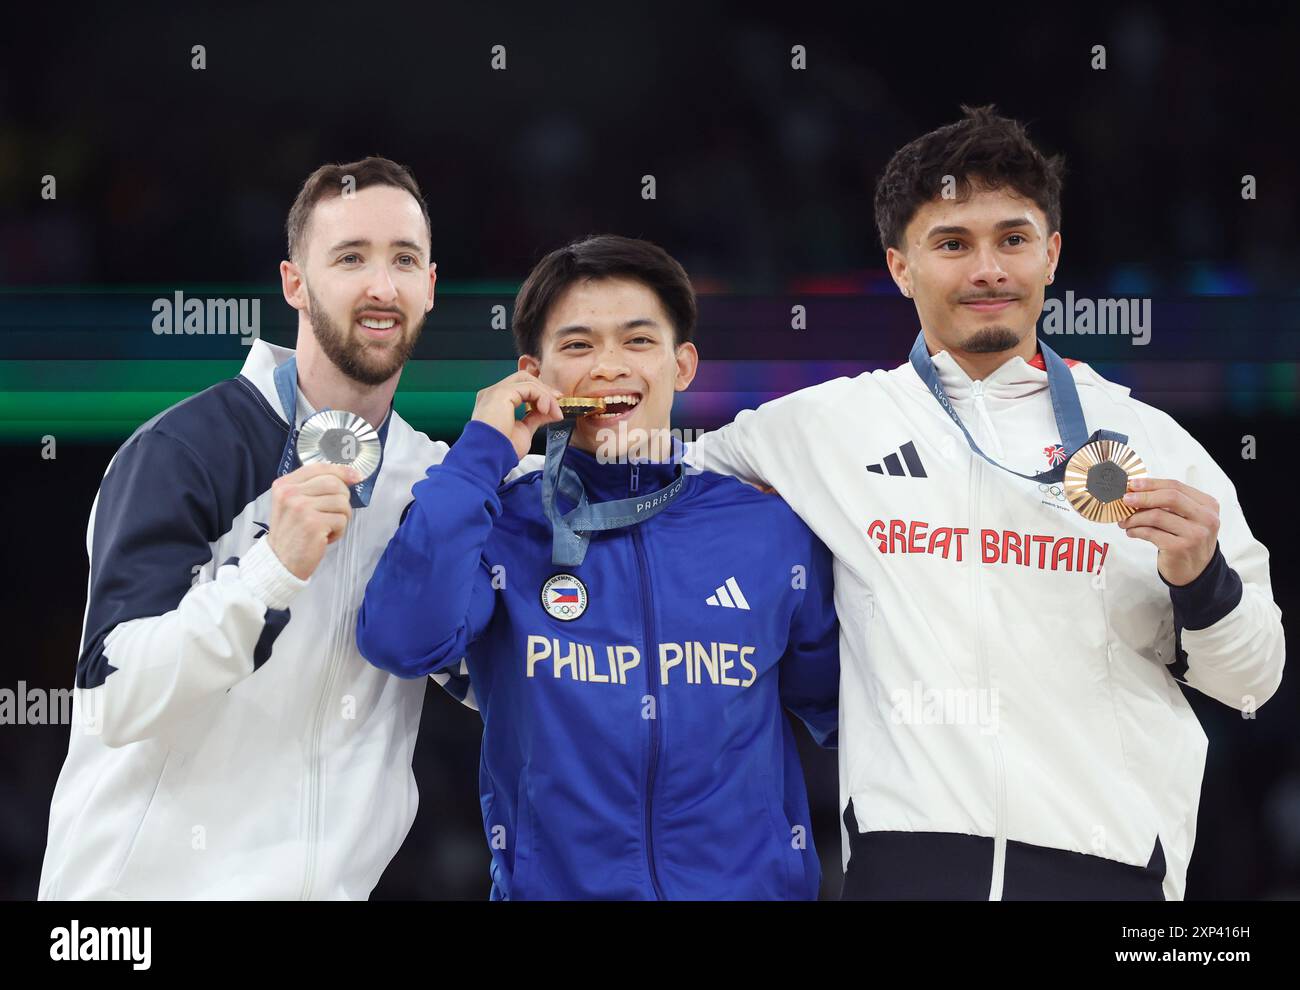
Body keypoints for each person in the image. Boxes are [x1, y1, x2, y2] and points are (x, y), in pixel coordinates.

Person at [687, 106, 1286, 900]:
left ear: (1051, 255)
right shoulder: (824, 426)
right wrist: (476, 457)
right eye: (952, 243)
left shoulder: (1154, 442)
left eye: (1012, 238)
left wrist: (1202, 578)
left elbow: (1252, 680)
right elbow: (637, 481)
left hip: (1109, 872)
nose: (988, 269)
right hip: (908, 868)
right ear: (900, 267)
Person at [41, 157, 483, 898]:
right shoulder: (184, 451)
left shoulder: (432, 485)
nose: (381, 286)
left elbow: (505, 680)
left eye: (403, 259)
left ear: (430, 287)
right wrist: (271, 571)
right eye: (350, 258)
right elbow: (115, 698)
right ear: (294, 284)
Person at [357, 235, 839, 900]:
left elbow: (845, 711)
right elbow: (402, 641)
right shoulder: (497, 523)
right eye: (578, 346)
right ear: (535, 373)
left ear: (683, 363)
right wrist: (483, 450)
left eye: (638, 341)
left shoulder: (767, 527)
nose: (610, 366)